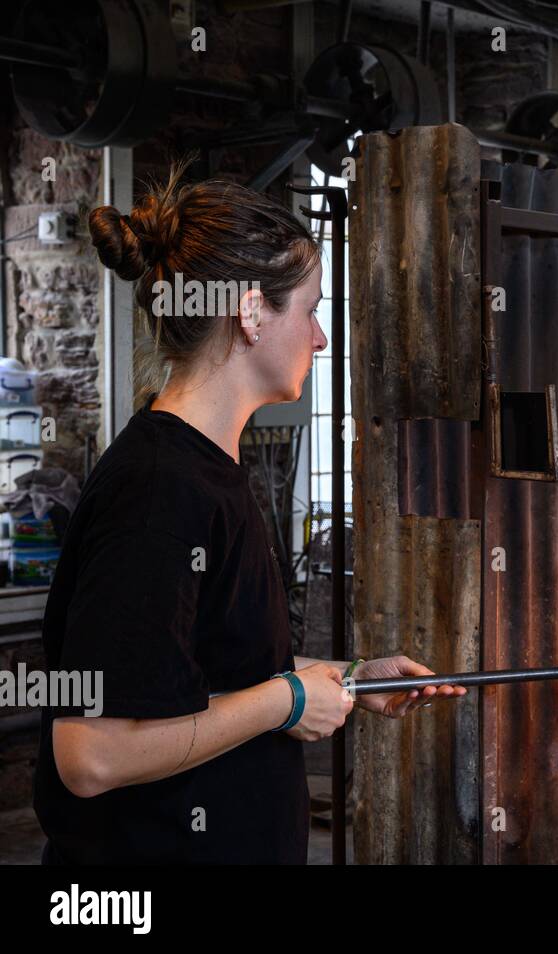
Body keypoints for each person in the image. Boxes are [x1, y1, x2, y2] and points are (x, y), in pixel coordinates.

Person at [32, 161, 463, 864]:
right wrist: (286, 702)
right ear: (251, 312)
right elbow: (91, 753)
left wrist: (344, 677)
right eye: (312, 308)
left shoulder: (208, 469)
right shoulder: (160, 489)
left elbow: (193, 669)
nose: (321, 337)